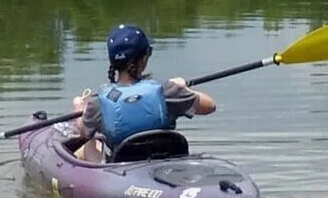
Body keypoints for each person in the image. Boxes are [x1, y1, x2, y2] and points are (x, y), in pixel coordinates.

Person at [67, 24, 217, 162]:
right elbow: (210, 106)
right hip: (167, 166)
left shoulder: (98, 103)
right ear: (144, 59)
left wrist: (79, 106)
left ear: (113, 63)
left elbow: (83, 130)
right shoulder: (166, 91)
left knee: (91, 141)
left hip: (122, 172)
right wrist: (183, 87)